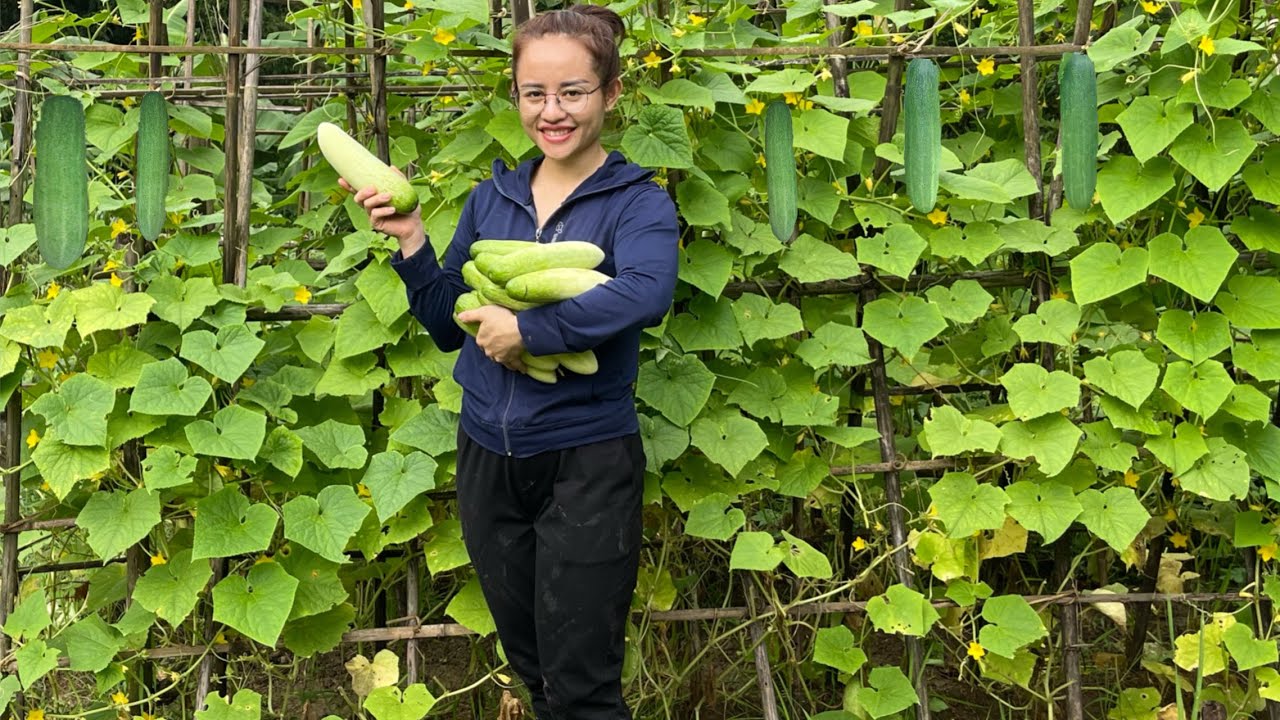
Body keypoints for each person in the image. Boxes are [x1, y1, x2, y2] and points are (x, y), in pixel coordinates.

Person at [340, 5, 680, 718]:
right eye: (534, 93)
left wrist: (533, 329)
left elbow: (648, 294)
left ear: (611, 93)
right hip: (487, 459)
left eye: (573, 92)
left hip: (586, 459)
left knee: (582, 681)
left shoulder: (637, 203)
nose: (552, 112)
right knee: (531, 662)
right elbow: (444, 324)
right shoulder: (490, 200)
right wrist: (411, 241)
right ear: (517, 95)